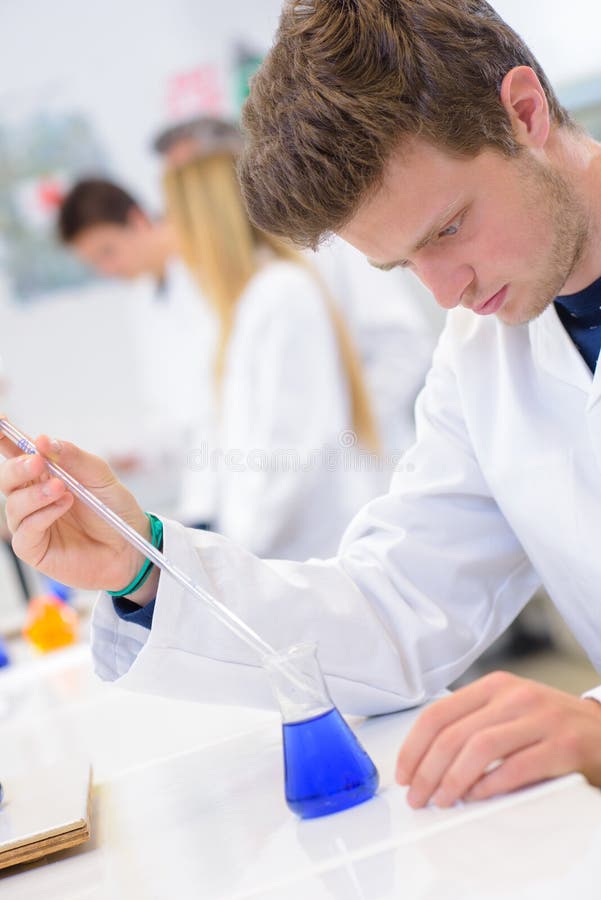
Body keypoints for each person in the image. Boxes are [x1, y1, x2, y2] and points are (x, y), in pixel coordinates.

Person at [3, 0, 601, 811]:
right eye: (400, 267)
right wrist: (143, 565)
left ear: (524, 112)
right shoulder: (481, 353)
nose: (446, 292)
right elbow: (394, 609)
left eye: (448, 228)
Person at [161, 138, 382, 558]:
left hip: (310, 548)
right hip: (278, 552)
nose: (172, 237)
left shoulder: (280, 295)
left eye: (175, 220)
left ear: (205, 225)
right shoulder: (247, 304)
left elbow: (289, 451)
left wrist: (226, 560)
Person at [58, 179, 216, 525]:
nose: (107, 270)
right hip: (205, 489)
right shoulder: (145, 295)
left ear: (138, 220)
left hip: (245, 478)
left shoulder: (210, 270)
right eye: (94, 263)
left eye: (107, 251)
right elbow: (172, 404)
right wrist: (140, 453)